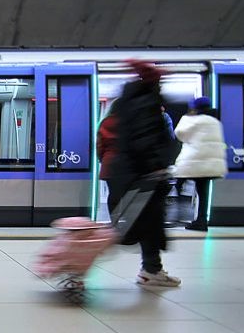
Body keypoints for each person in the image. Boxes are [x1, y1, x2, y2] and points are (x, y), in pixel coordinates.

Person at [97, 60, 182, 287]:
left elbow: (102, 147)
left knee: (137, 224)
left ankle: (151, 268)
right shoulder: (147, 103)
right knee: (138, 226)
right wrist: (158, 165)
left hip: (119, 172)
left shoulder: (124, 105)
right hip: (144, 175)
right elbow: (147, 140)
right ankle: (150, 269)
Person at [172, 97, 227, 232]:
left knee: (179, 183)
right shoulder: (215, 121)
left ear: (195, 108)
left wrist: (186, 117)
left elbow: (179, 134)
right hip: (209, 165)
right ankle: (201, 221)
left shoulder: (193, 119)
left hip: (193, 161)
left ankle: (179, 214)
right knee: (203, 192)